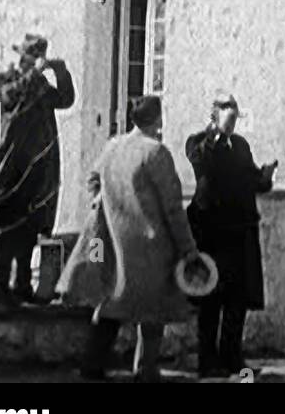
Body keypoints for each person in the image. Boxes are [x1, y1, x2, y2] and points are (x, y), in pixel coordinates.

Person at [70, 95, 202, 381]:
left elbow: (93, 180)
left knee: (109, 301)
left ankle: (92, 364)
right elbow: (172, 208)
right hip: (149, 244)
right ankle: (145, 368)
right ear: (157, 120)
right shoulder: (156, 153)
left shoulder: (112, 146)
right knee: (152, 309)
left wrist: (103, 204)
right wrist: (188, 249)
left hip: (111, 239)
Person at [185, 96, 277, 377]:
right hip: (212, 234)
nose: (233, 115)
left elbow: (252, 181)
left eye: (235, 111)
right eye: (226, 109)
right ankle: (207, 361)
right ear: (213, 113)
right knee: (210, 300)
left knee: (237, 300)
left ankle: (232, 356)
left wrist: (266, 176)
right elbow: (204, 164)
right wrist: (215, 133)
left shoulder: (240, 146)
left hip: (240, 233)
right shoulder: (197, 142)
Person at [0, 34, 75, 305]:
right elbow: (8, 98)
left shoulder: (41, 84)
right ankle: (1, 287)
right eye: (32, 57)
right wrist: (35, 72)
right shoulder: (5, 80)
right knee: (10, 226)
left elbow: (65, 99)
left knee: (30, 227)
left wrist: (61, 71)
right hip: (12, 167)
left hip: (38, 167)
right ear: (23, 58)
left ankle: (22, 284)